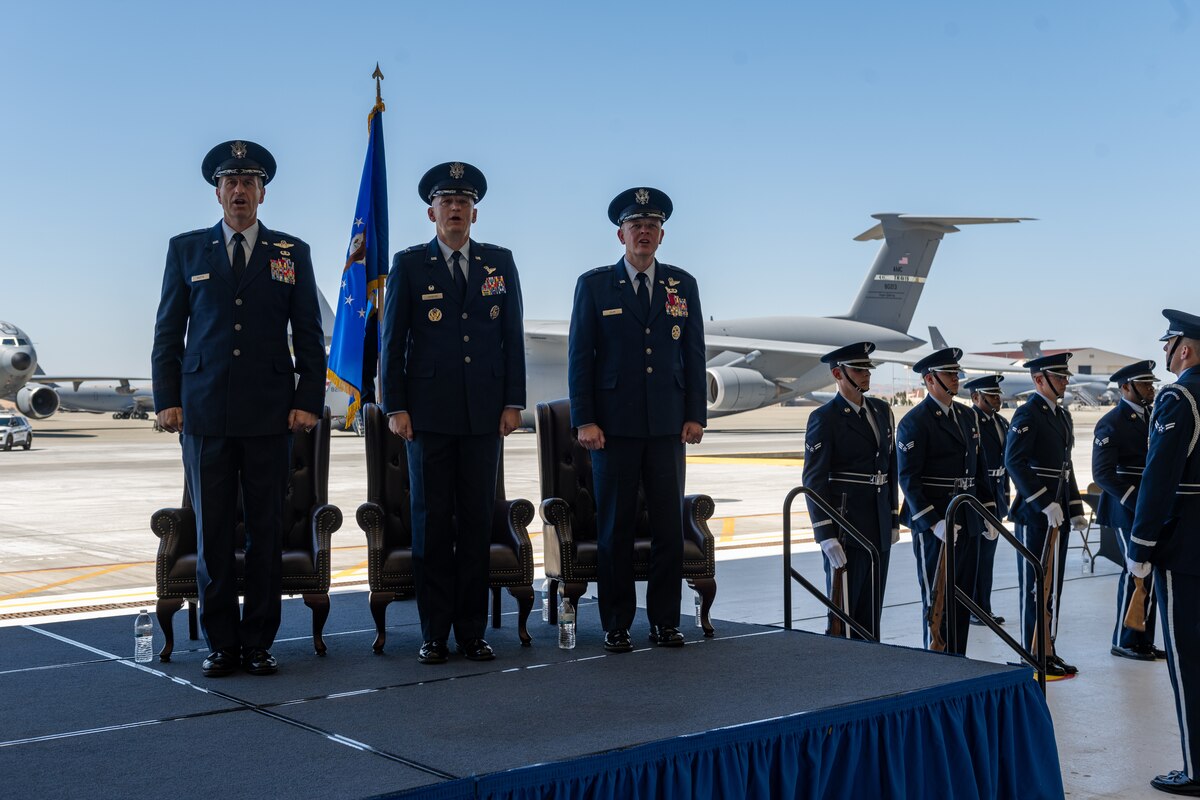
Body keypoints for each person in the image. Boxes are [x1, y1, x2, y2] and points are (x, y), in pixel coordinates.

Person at [151, 140, 326, 677]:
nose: (240, 191)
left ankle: (259, 643)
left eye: (249, 182)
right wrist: (168, 399)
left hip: (271, 414)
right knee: (213, 533)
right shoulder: (187, 250)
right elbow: (167, 333)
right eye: (231, 182)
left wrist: (307, 401)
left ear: (262, 193)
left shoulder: (290, 253)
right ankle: (222, 644)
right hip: (203, 413)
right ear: (218, 193)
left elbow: (309, 334)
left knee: (266, 531)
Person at [380, 162, 525, 665]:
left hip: (484, 417)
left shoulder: (498, 263)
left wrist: (512, 402)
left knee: (477, 524)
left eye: (463, 202)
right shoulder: (409, 265)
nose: (456, 209)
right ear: (432, 213)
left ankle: (471, 633)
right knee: (432, 525)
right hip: (428, 417)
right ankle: (434, 633)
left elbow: (511, 337)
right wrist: (396, 406)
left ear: (474, 213)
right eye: (447, 202)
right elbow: (392, 343)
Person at [567, 186, 706, 653]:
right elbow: (580, 358)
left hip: (667, 427)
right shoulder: (594, 285)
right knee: (616, 530)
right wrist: (585, 419)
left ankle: (666, 622)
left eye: (651, 226)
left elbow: (693, 352)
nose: (643, 233)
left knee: (669, 529)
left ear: (661, 235)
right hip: (613, 429)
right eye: (635, 226)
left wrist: (695, 415)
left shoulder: (682, 285)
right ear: (620, 235)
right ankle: (617, 623)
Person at [1126, 310, 1200, 796]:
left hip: (1186, 545)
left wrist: (1141, 544)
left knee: (1189, 663)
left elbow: (1159, 478)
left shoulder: (1179, 397)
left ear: (1184, 349)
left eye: (1168, 345)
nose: (1166, 354)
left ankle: (1197, 769)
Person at [897, 348, 995, 655]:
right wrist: (933, 522)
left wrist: (988, 510)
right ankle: (936, 661)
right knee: (936, 598)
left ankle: (958, 657)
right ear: (930, 380)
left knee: (963, 597)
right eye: (949, 374)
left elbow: (979, 469)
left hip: (966, 516)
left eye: (956, 373)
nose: (955, 378)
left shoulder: (967, 416)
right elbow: (909, 479)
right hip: (937, 523)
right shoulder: (915, 421)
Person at [802, 342, 898, 639]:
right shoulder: (825, 417)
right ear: (837, 374)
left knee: (872, 611)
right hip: (847, 526)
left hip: (878, 523)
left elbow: (890, 467)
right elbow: (814, 480)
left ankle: (872, 662)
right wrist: (825, 534)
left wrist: (893, 517)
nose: (866, 375)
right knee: (844, 611)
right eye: (858, 370)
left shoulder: (881, 411)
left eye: (867, 369)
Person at [1005, 352, 1087, 678]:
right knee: (1035, 586)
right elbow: (1014, 462)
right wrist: (1042, 502)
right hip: (1036, 514)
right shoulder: (1027, 414)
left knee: (1053, 585)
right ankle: (1032, 652)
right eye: (1059, 376)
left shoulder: (1062, 415)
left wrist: (1075, 507)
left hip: (1058, 512)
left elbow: (1066, 469)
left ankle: (1047, 648)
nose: (1065, 381)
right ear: (1039, 380)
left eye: (1065, 376)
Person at [1093, 359, 1163, 661]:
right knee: (1135, 570)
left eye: (1150, 383)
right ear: (1126, 387)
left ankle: (1143, 638)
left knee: (1150, 572)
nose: (1150, 388)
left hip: (1149, 506)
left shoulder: (1153, 415)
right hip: (1125, 508)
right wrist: (1137, 501)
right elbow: (1102, 474)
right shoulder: (1112, 422)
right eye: (1145, 384)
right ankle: (1124, 640)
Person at [962, 374, 1010, 627]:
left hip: (997, 493)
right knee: (976, 557)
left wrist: (1005, 498)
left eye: (997, 394)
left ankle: (984, 607)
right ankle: (974, 608)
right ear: (975, 397)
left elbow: (1006, 465)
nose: (997, 399)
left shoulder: (1001, 422)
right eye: (991, 395)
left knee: (988, 557)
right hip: (979, 493)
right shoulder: (971, 421)